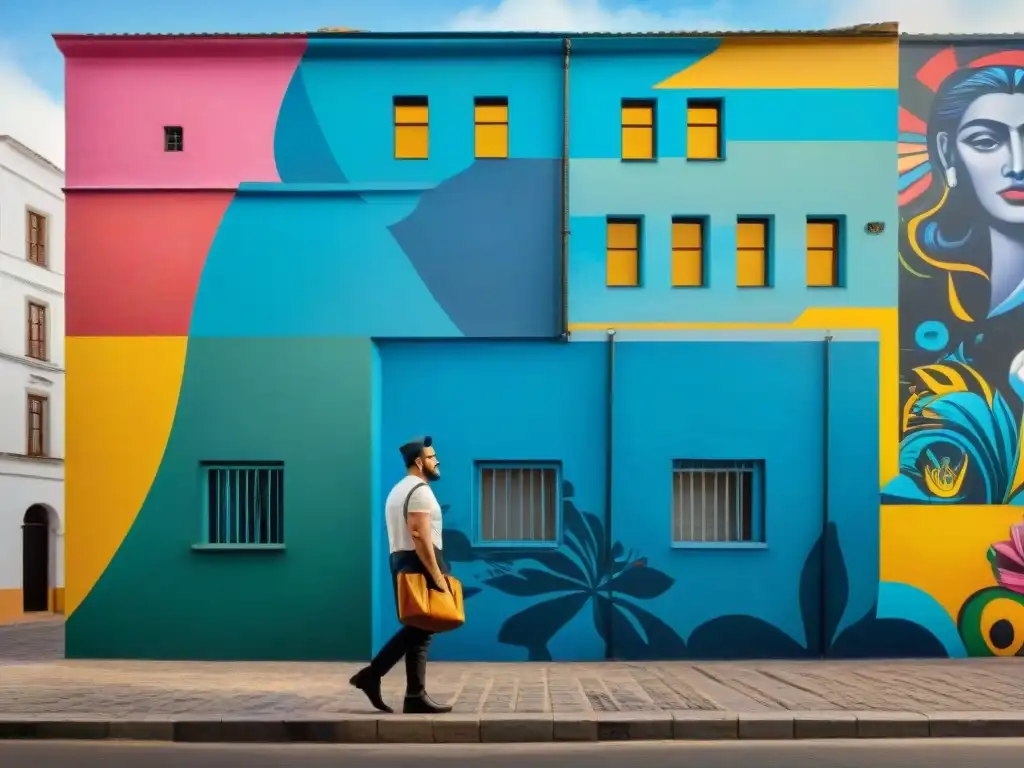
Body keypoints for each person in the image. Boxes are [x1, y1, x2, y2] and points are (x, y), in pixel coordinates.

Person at [349, 436, 454, 714]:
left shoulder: (397, 490)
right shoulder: (420, 491)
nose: (437, 461)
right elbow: (419, 534)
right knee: (421, 625)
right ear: (419, 462)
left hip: (400, 559)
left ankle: (414, 695)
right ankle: (374, 674)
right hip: (419, 560)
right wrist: (437, 575)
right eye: (432, 458)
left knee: (421, 628)